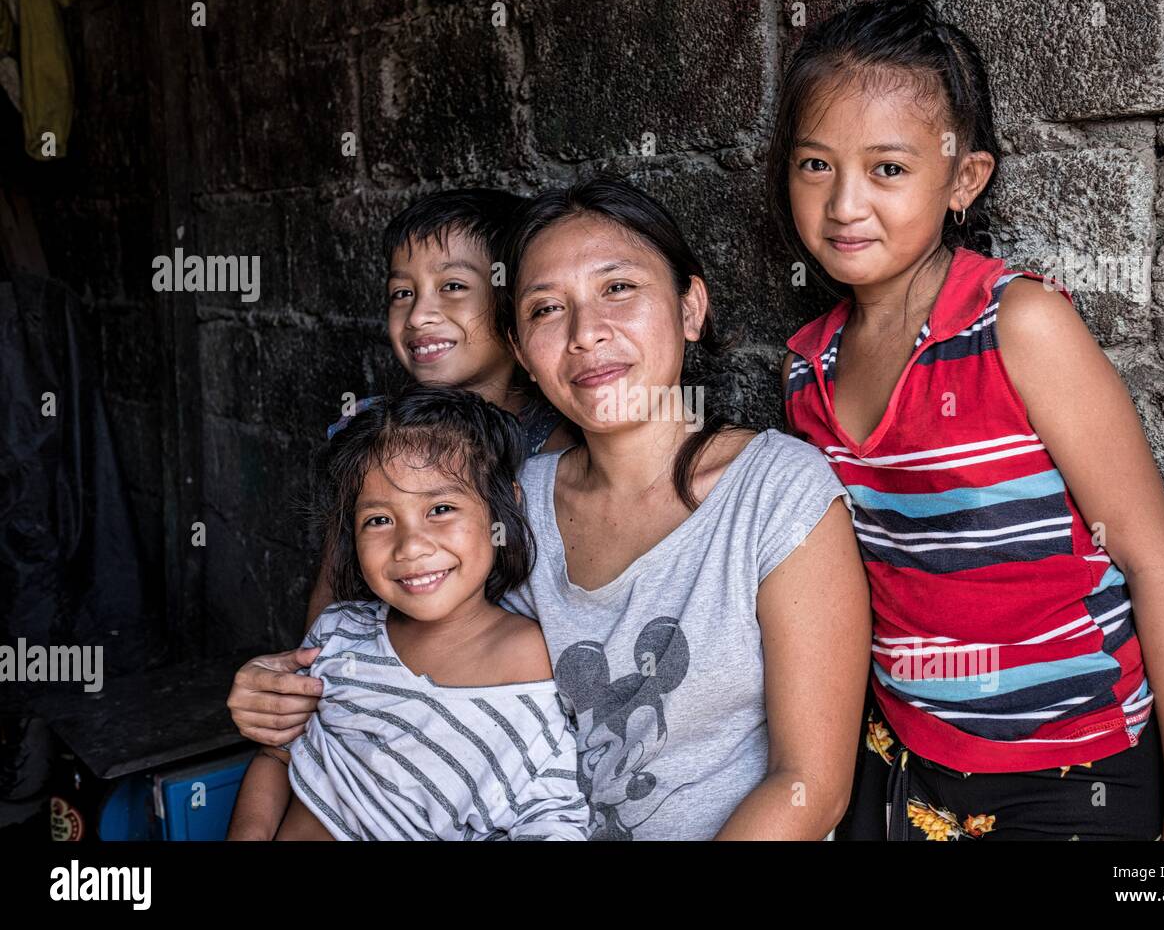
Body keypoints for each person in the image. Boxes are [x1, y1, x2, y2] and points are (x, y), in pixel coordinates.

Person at [229, 175, 874, 840]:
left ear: (690, 306)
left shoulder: (775, 492)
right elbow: (400, 669)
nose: (587, 334)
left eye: (617, 288)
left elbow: (810, 789)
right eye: (545, 309)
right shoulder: (511, 505)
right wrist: (282, 693)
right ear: (520, 351)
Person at [769, 0, 1164, 839]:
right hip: (905, 762)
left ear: (963, 179)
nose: (844, 204)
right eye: (815, 165)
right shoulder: (809, 370)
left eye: (887, 169)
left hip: (1071, 767)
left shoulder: (1015, 326)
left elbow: (1152, 555)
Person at [226, 385, 591, 841]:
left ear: (505, 507)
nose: (411, 546)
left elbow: (551, 818)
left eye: (440, 508)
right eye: (378, 520)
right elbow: (276, 755)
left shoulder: (534, 662)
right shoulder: (339, 633)